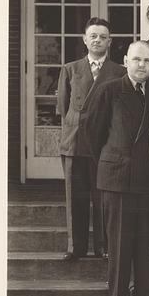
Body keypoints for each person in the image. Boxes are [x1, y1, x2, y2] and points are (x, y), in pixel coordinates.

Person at [84, 41, 149, 296]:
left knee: (144, 243)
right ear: (126, 61)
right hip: (117, 178)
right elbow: (92, 131)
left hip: (148, 179)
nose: (142, 65)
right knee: (118, 245)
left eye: (148, 61)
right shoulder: (110, 90)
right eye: (137, 59)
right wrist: (111, 160)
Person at [57, 18, 125, 262]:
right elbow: (63, 109)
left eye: (103, 36)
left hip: (104, 145)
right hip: (75, 143)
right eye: (93, 36)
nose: (98, 40)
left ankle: (103, 245)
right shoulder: (70, 69)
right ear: (85, 39)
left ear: (110, 41)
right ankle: (76, 247)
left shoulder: (119, 72)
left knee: (102, 198)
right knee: (75, 197)